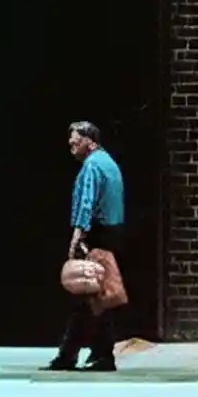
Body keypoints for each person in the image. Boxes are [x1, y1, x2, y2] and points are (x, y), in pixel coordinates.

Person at [43, 121, 126, 372]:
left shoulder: (91, 166)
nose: (72, 147)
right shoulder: (109, 163)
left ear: (90, 141)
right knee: (95, 297)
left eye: (76, 142)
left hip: (96, 234)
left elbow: (87, 202)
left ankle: (77, 355)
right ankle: (90, 354)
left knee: (89, 294)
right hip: (112, 233)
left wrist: (77, 236)